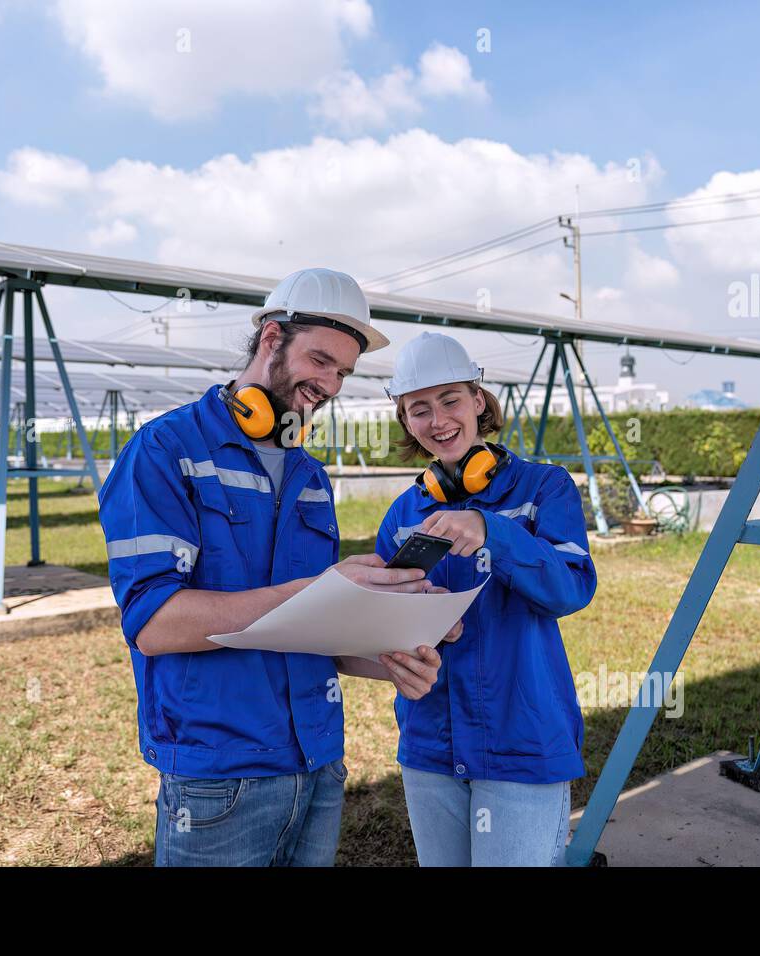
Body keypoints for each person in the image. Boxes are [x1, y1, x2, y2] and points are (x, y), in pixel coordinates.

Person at [99, 267, 447, 867]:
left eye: (343, 372)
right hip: (220, 774)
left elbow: (306, 628)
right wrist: (322, 586)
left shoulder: (309, 474)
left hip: (317, 762)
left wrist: (386, 656)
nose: (331, 384)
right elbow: (155, 625)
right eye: (320, 361)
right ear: (270, 339)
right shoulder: (165, 450)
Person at [374, 331, 597, 866]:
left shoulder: (545, 488)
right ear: (406, 421)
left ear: (478, 400)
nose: (438, 420)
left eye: (451, 400)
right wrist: (407, 623)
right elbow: (382, 624)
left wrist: (492, 530)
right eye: (419, 409)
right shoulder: (403, 513)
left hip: (522, 736)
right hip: (431, 742)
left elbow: (569, 589)